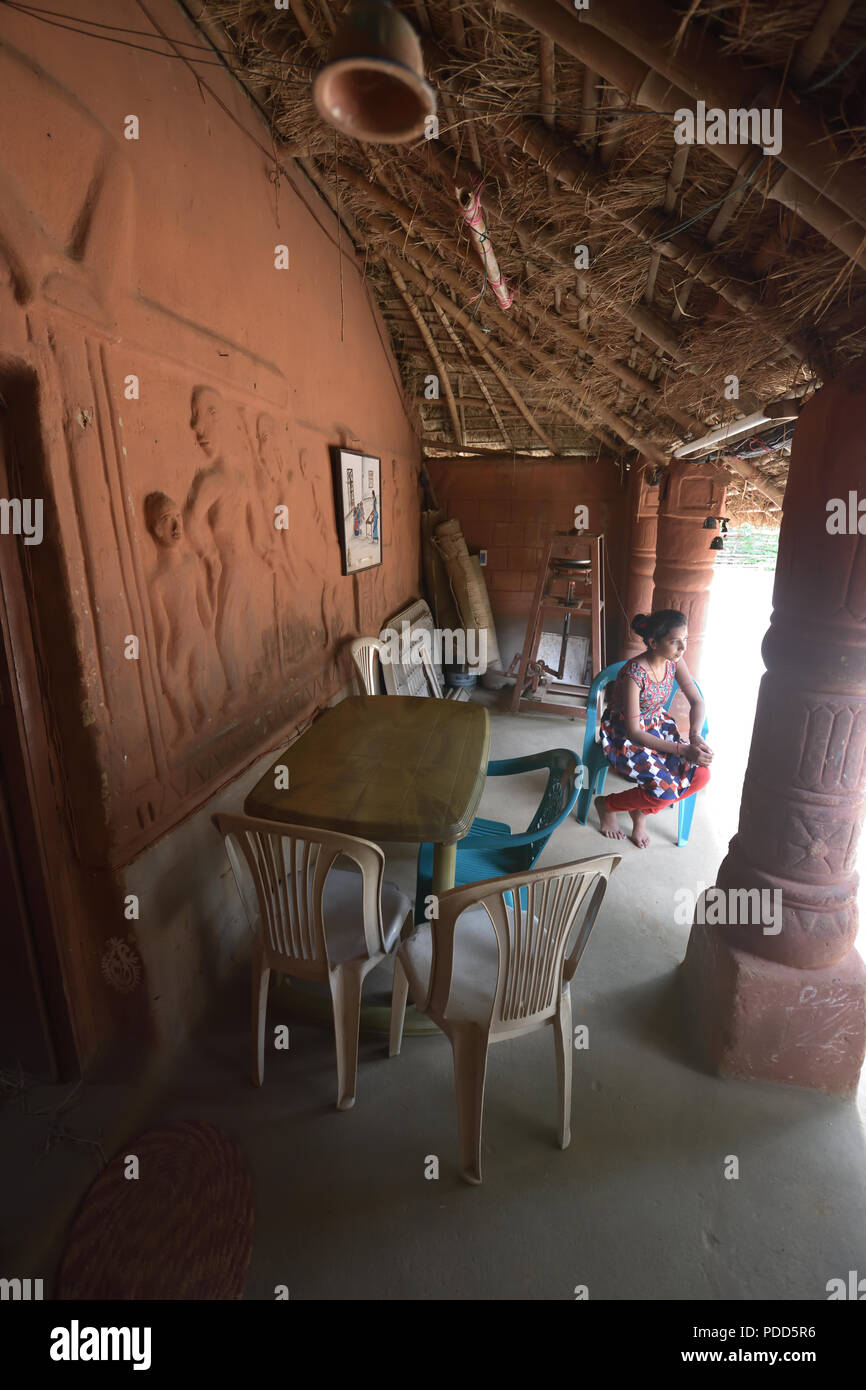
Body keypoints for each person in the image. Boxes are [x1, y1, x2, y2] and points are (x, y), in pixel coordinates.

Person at [596, 610, 713, 848]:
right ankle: (607, 805)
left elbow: (697, 701)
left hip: (658, 727)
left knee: (701, 775)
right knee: (665, 790)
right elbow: (634, 732)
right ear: (653, 643)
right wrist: (682, 749)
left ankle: (641, 812)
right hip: (626, 733)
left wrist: (695, 736)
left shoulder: (674, 662)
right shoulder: (634, 673)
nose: (682, 648)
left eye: (685, 640)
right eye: (674, 641)